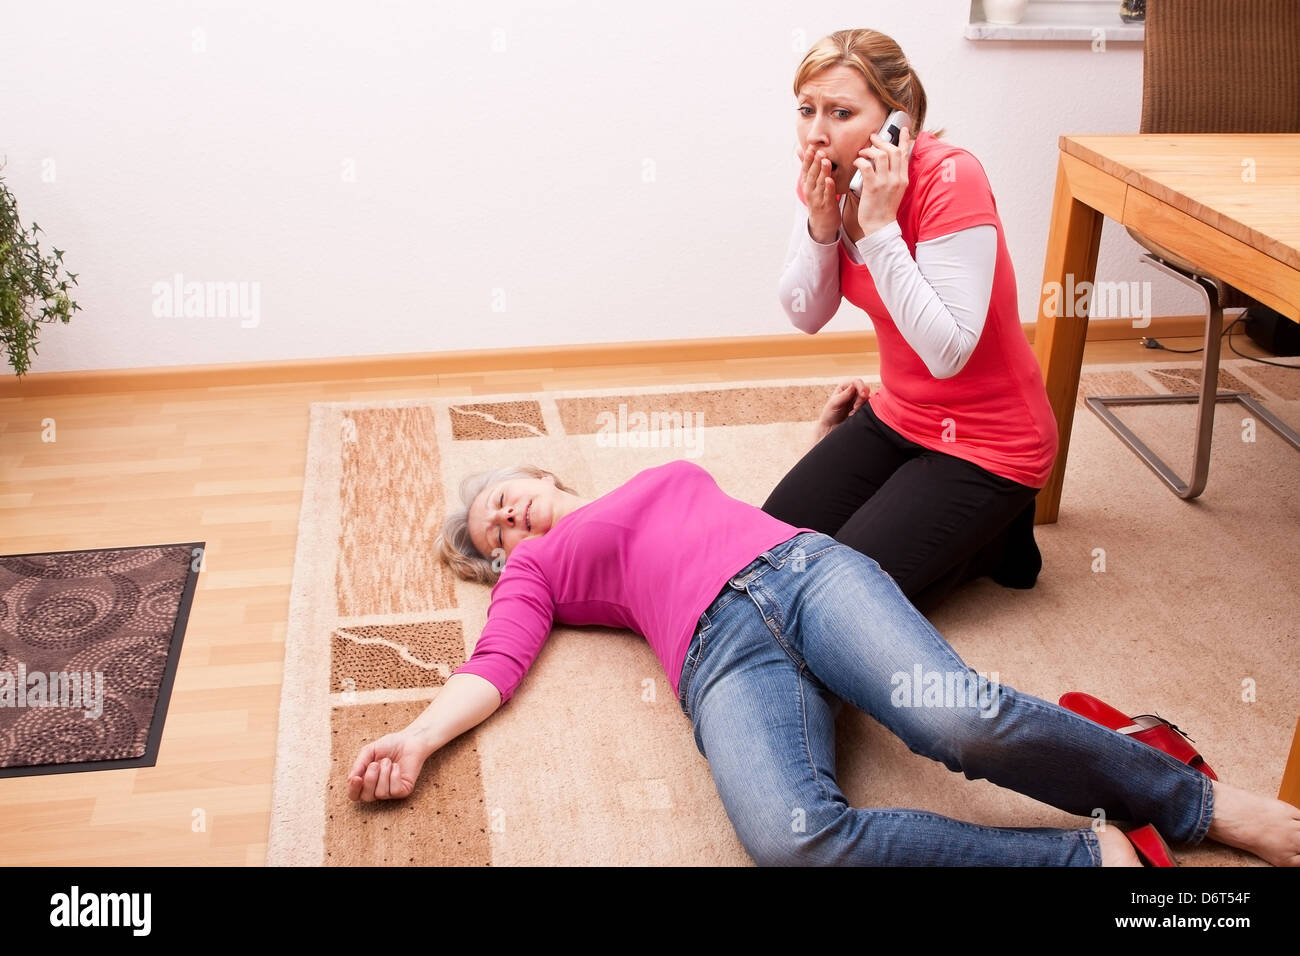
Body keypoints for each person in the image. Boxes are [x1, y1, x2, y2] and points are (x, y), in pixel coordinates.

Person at [346, 459, 1300, 867]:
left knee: (954, 719)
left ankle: (1204, 805)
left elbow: (752, 513)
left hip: (802, 572)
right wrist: (420, 735)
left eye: (509, 497)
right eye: (495, 533)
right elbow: (494, 663)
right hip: (719, 661)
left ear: (545, 476)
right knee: (791, 839)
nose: (511, 518)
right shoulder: (540, 572)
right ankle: (1082, 854)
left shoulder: (652, 477)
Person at [763, 30, 1058, 613]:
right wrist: (824, 225)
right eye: (807, 110)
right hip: (898, 415)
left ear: (898, 117)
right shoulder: (831, 179)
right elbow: (807, 315)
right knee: (763, 551)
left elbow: (948, 352)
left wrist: (879, 229)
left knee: (835, 598)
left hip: (990, 440)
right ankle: (974, 530)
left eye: (841, 112)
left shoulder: (951, 179)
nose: (817, 132)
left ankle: (995, 541)